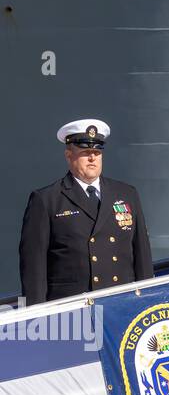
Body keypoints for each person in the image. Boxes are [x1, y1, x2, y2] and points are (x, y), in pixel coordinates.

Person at [18, 119, 153, 304]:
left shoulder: (126, 193)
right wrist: (36, 315)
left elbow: (142, 256)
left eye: (97, 152)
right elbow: (34, 266)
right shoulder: (47, 199)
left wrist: (148, 300)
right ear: (69, 155)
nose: (92, 158)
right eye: (85, 153)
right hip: (72, 306)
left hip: (121, 303)